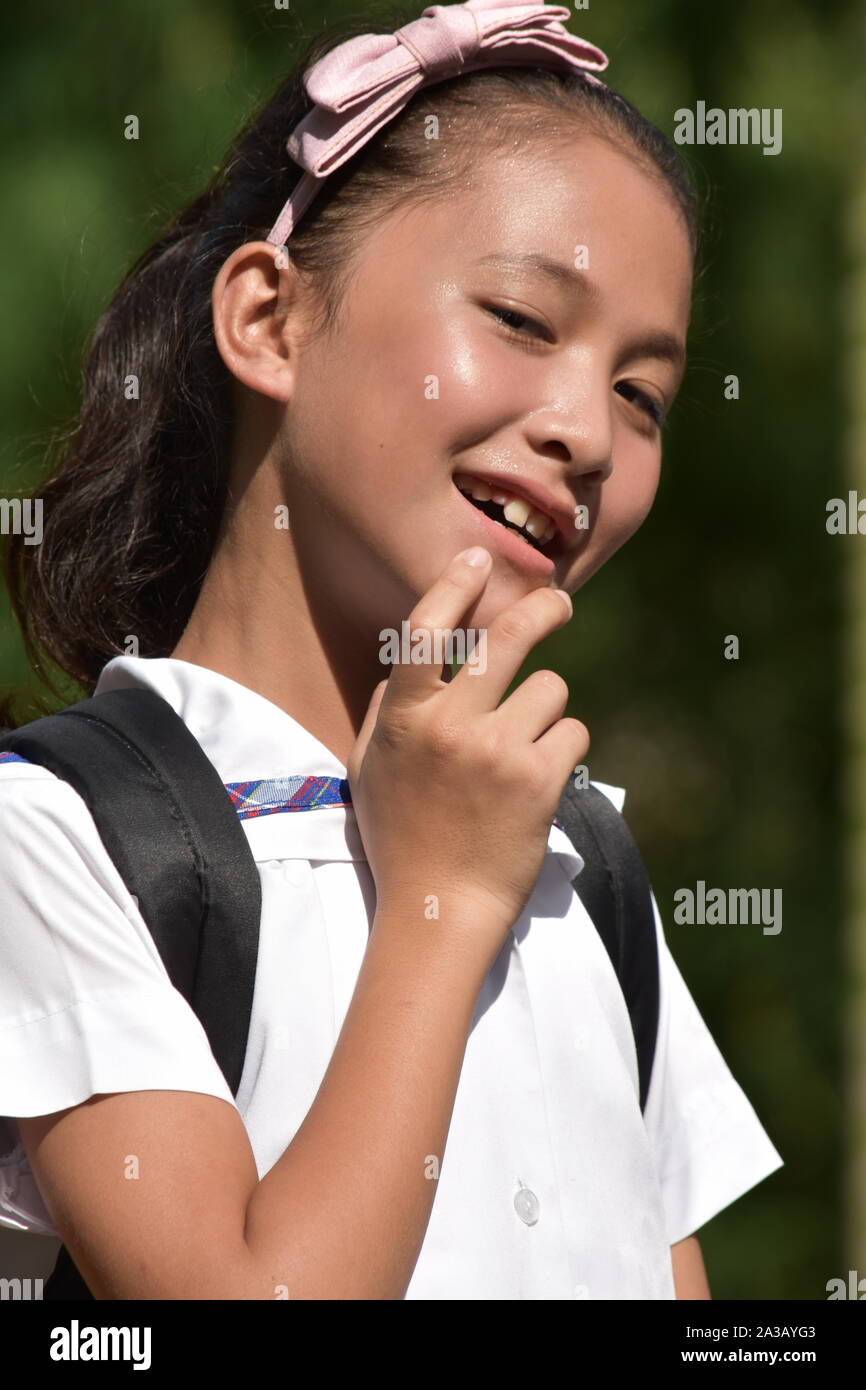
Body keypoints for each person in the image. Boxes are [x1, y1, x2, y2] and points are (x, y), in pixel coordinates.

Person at [0, 0, 782, 1299]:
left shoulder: (580, 866)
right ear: (268, 319)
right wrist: (442, 901)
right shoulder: (57, 838)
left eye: (643, 395)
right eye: (524, 320)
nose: (586, 430)